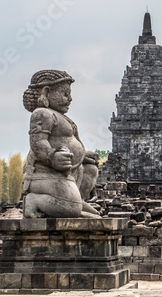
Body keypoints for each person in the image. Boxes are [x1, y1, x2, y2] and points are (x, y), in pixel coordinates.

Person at [20, 70, 101, 219]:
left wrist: (82, 155)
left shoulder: (60, 116)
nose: (70, 99)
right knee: (72, 208)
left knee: (91, 169)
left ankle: (76, 202)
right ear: (46, 91)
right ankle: (35, 201)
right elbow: (38, 143)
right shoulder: (42, 113)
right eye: (65, 94)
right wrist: (52, 156)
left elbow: (67, 141)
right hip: (44, 174)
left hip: (67, 174)